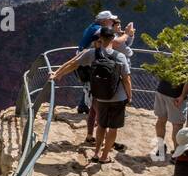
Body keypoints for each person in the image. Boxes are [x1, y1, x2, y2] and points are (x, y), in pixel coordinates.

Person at [52, 28, 133, 163]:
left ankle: (96, 153)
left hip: (99, 96)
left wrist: (57, 74)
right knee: (113, 128)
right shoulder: (120, 56)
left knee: (101, 125)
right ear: (113, 38)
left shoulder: (91, 53)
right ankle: (104, 156)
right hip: (118, 97)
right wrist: (129, 96)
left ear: (100, 38)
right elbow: (126, 79)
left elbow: (73, 64)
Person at [152, 75, 188, 161]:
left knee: (161, 120)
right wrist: (182, 96)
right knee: (177, 125)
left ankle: (160, 148)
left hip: (161, 90)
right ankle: (177, 154)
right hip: (176, 94)